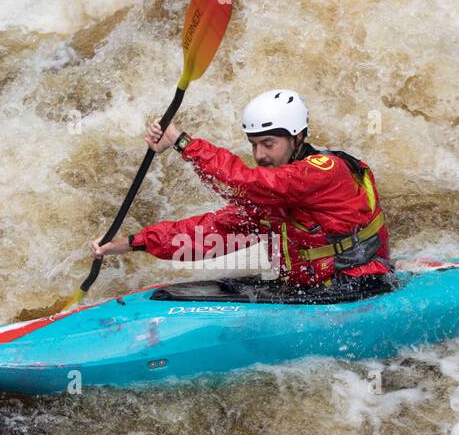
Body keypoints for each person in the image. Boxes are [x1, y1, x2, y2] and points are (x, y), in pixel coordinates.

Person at [91, 89, 393, 299]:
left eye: (269, 143)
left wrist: (182, 143)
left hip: (359, 284)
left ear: (297, 137)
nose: (259, 154)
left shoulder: (323, 171)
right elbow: (213, 232)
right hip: (308, 289)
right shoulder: (275, 194)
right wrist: (133, 243)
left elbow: (246, 183)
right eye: (253, 144)